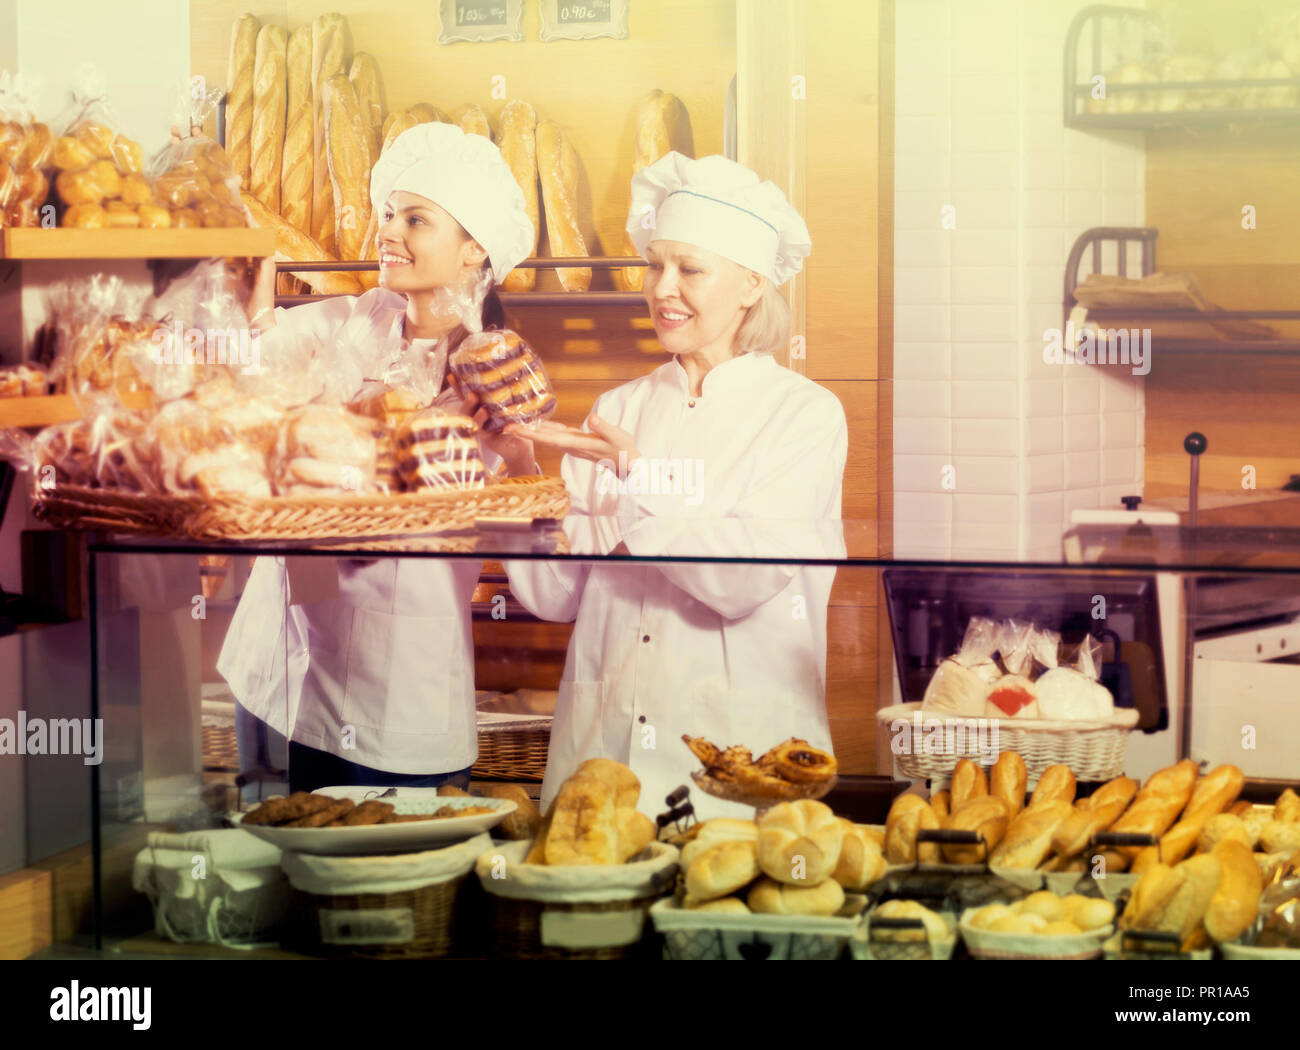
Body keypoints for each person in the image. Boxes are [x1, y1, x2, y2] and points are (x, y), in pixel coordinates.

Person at [502, 153, 848, 819]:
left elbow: (741, 580)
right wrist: (521, 470)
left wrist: (637, 474)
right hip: (600, 759)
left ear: (751, 283)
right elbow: (555, 595)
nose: (662, 287)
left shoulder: (803, 414)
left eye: (690, 269)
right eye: (655, 264)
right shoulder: (620, 406)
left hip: (736, 766)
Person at [218, 122, 535, 792]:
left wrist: (517, 454)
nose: (387, 232)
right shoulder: (356, 321)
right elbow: (252, 364)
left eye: (415, 219)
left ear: (475, 246)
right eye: (388, 214)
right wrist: (254, 283)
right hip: (278, 671)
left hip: (395, 696)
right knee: (276, 878)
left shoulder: (498, 376)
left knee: (382, 889)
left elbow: (515, 522)